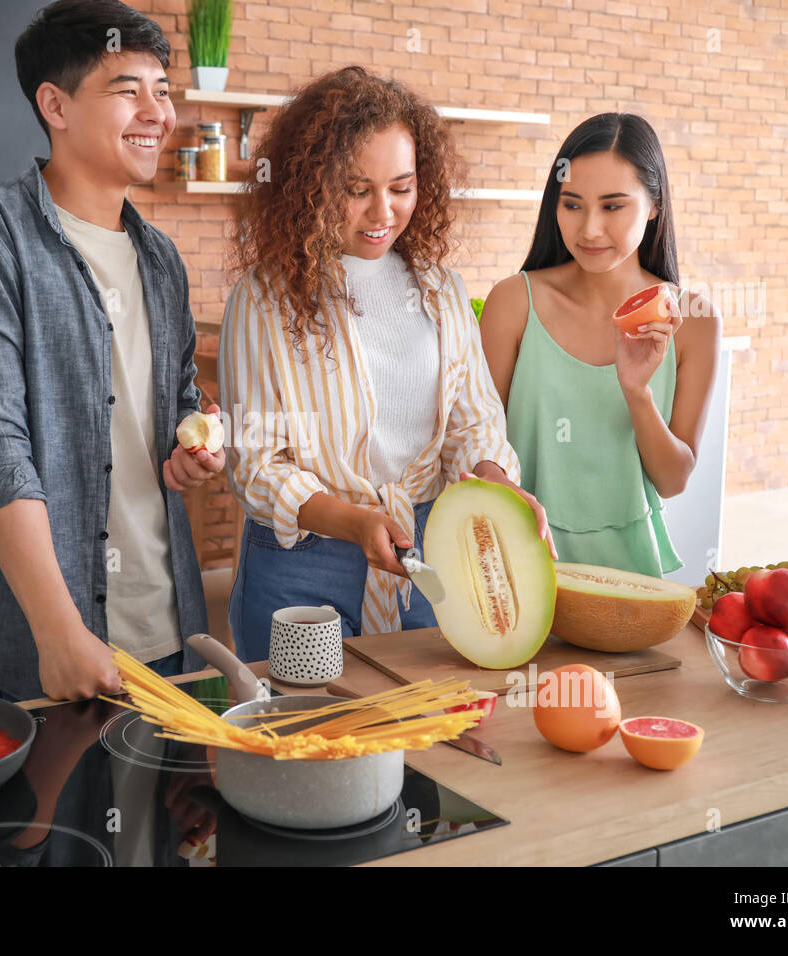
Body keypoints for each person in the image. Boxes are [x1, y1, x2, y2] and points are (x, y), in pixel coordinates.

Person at [0, 0, 221, 704]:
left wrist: (191, 447)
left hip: (171, 621)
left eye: (164, 91)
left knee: (173, 817)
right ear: (54, 104)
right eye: (127, 91)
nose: (158, 113)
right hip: (48, 637)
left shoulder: (161, 259)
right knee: (49, 817)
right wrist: (58, 628)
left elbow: (175, 401)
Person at [219, 67, 551, 664]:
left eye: (401, 186)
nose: (383, 212)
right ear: (310, 185)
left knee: (418, 744)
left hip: (428, 556)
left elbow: (473, 426)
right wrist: (352, 522)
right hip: (301, 568)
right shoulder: (264, 297)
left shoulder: (441, 291)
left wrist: (500, 489)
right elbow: (256, 464)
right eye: (356, 188)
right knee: (307, 743)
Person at [481, 113, 720, 577]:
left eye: (613, 207)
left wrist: (636, 391)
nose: (589, 229)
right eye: (572, 205)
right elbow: (476, 442)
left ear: (654, 205)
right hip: (516, 567)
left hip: (630, 580)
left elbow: (673, 481)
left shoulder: (695, 321)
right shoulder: (513, 301)